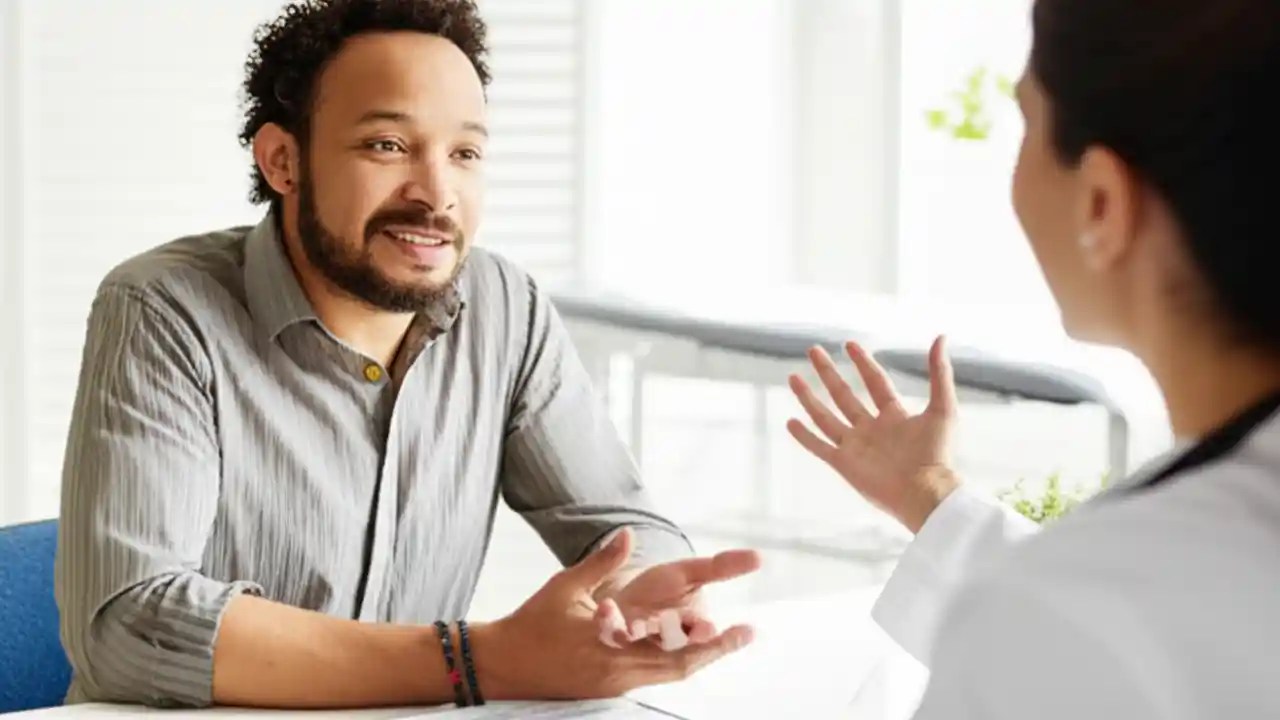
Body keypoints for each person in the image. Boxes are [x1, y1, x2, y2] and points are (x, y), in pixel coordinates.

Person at [53, 0, 759, 709]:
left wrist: (638, 600)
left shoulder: (504, 307)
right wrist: (475, 661)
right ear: (282, 160)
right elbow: (130, 627)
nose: (436, 194)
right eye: (387, 145)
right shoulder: (164, 308)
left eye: (465, 153)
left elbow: (623, 530)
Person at [787, 0, 1280, 716]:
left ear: (1103, 204)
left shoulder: (1071, 608)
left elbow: (1095, 628)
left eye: (1025, 124)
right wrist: (930, 495)